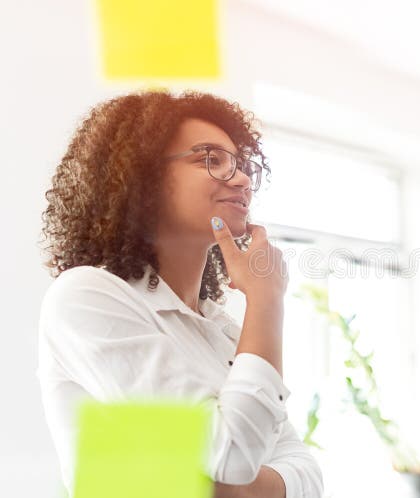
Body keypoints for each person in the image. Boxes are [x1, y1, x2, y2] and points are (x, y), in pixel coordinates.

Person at [38, 91, 323, 498]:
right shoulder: (86, 296)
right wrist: (266, 299)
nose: (241, 179)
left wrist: (237, 488)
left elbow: (307, 471)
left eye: (240, 165)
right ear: (142, 177)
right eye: (211, 159)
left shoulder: (221, 329)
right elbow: (233, 454)